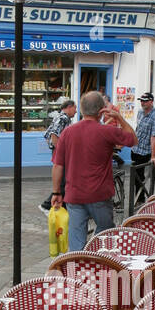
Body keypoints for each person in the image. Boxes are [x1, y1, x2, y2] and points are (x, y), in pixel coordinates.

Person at [51, 91, 137, 250]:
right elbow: (133, 139)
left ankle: (76, 269)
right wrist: (119, 118)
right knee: (105, 231)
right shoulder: (106, 131)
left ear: (82, 110)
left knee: (76, 240)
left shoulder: (67, 133)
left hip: (74, 194)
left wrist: (56, 192)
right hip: (99, 194)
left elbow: (58, 165)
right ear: (101, 111)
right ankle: (95, 260)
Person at [39, 98, 77, 213]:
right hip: (61, 152)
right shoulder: (63, 118)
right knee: (63, 179)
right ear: (69, 107)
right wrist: (60, 150)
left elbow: (47, 135)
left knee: (63, 179)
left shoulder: (59, 117)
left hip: (59, 151)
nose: (76, 111)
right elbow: (54, 134)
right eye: (75, 108)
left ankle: (62, 206)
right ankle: (47, 205)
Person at [130, 92, 155, 204]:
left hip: (145, 151)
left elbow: (154, 137)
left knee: (140, 176)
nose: (142, 103)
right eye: (141, 100)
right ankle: (138, 198)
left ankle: (140, 199)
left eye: (145, 101)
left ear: (151, 102)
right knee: (135, 176)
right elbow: (137, 129)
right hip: (135, 148)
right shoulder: (140, 112)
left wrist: (153, 156)